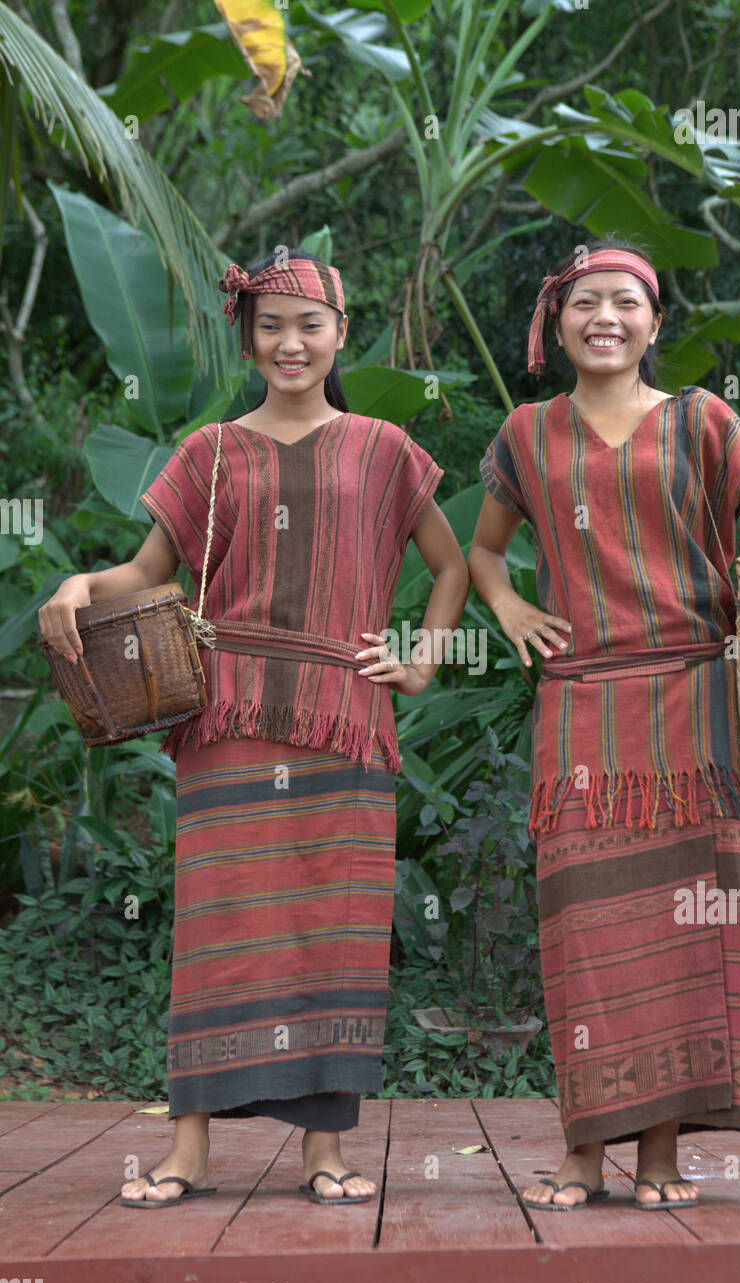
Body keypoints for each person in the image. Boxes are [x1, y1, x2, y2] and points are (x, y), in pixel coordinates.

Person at [39, 248, 469, 1207]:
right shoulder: (209, 452)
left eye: (307, 324)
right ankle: (188, 1148)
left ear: (340, 334)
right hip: (227, 715)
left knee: (335, 931)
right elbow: (145, 576)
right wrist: (78, 584)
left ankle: (325, 1152)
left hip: (345, 717)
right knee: (219, 927)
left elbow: (451, 565)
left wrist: (425, 656)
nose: (289, 343)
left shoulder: (383, 448)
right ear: (247, 337)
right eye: (269, 325)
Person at [468, 237, 740, 1211]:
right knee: (585, 932)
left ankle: (657, 1158)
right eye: (584, 303)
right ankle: (578, 1153)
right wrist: (510, 608)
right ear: (556, 322)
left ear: (654, 322)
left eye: (625, 303)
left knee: (685, 939)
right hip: (581, 715)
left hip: (697, 712)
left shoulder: (703, 421)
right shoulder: (526, 435)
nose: (604, 318)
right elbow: (483, 551)